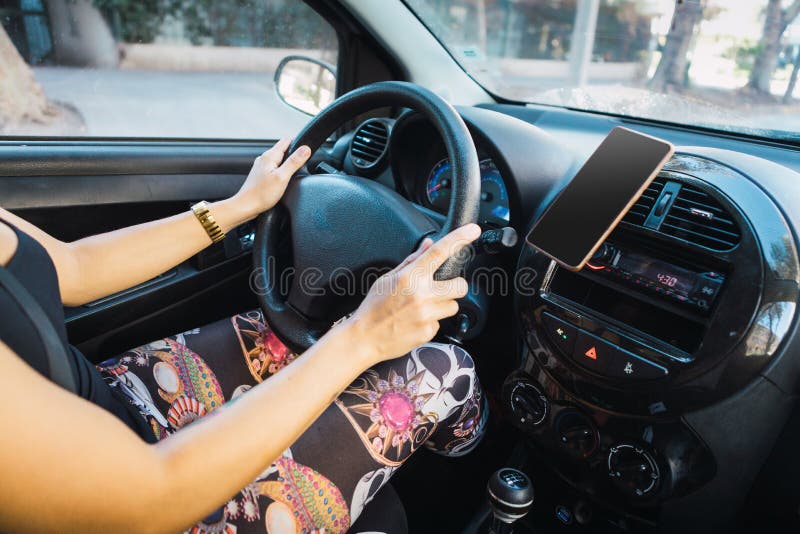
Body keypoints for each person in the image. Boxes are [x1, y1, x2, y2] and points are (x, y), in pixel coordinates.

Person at [0, 138, 487, 533]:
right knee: (446, 369)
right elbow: (148, 499)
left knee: (290, 339)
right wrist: (362, 335)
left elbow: (73, 266)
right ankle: (464, 468)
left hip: (98, 404)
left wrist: (238, 207)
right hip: (145, 503)